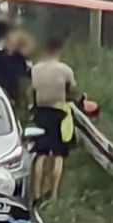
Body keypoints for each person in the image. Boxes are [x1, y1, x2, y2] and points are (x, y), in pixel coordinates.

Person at [27, 37, 79, 203]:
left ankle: (36, 193)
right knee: (58, 154)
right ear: (59, 50)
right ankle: (54, 194)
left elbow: (32, 91)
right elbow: (72, 90)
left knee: (40, 153)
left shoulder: (36, 69)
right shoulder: (65, 70)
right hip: (59, 112)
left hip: (40, 113)